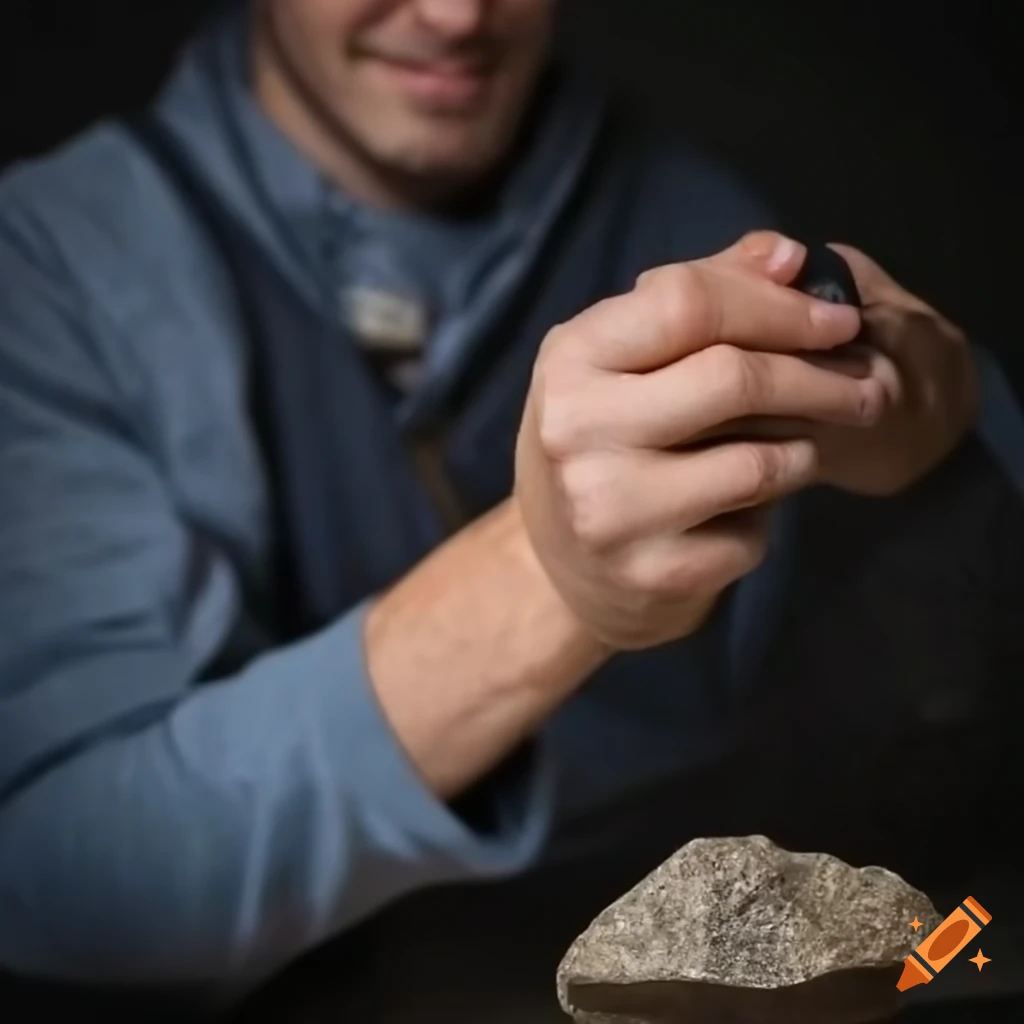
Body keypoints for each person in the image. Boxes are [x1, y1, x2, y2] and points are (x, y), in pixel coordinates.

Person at [0, 0, 1020, 1008]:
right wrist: (547, 571)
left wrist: (937, 433)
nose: (456, 16)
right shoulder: (48, 266)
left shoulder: (701, 216)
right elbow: (58, 874)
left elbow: (918, 790)